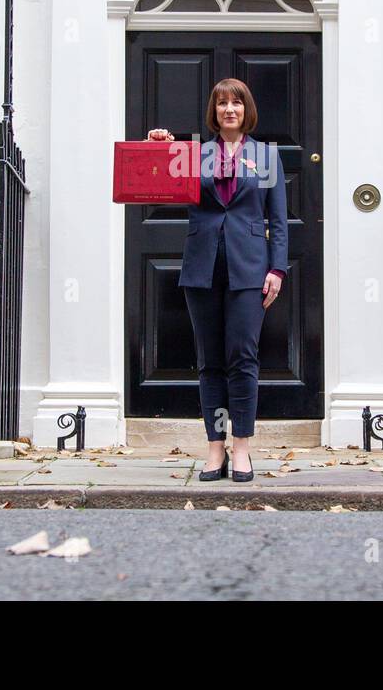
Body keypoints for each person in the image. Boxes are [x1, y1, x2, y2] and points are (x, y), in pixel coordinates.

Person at [146, 77, 288, 482]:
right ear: (214, 111)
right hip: (202, 269)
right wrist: (160, 146)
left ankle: (241, 447)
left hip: (249, 271)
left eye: (237, 103)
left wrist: (276, 269)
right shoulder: (197, 154)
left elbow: (277, 221)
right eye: (222, 103)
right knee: (209, 362)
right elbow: (159, 185)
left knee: (242, 359)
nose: (229, 109)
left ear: (247, 110)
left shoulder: (264, 157)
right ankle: (214, 448)